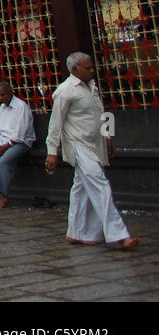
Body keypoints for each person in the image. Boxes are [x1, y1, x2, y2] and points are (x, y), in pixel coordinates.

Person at [45, 53, 140, 249]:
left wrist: (108, 137)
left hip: (95, 143)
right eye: (87, 68)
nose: (91, 70)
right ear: (74, 70)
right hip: (78, 144)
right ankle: (119, 235)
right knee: (100, 185)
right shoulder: (65, 91)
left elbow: (101, 112)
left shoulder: (92, 87)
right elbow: (55, 124)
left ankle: (77, 231)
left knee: (81, 188)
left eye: (91, 67)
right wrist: (51, 151)